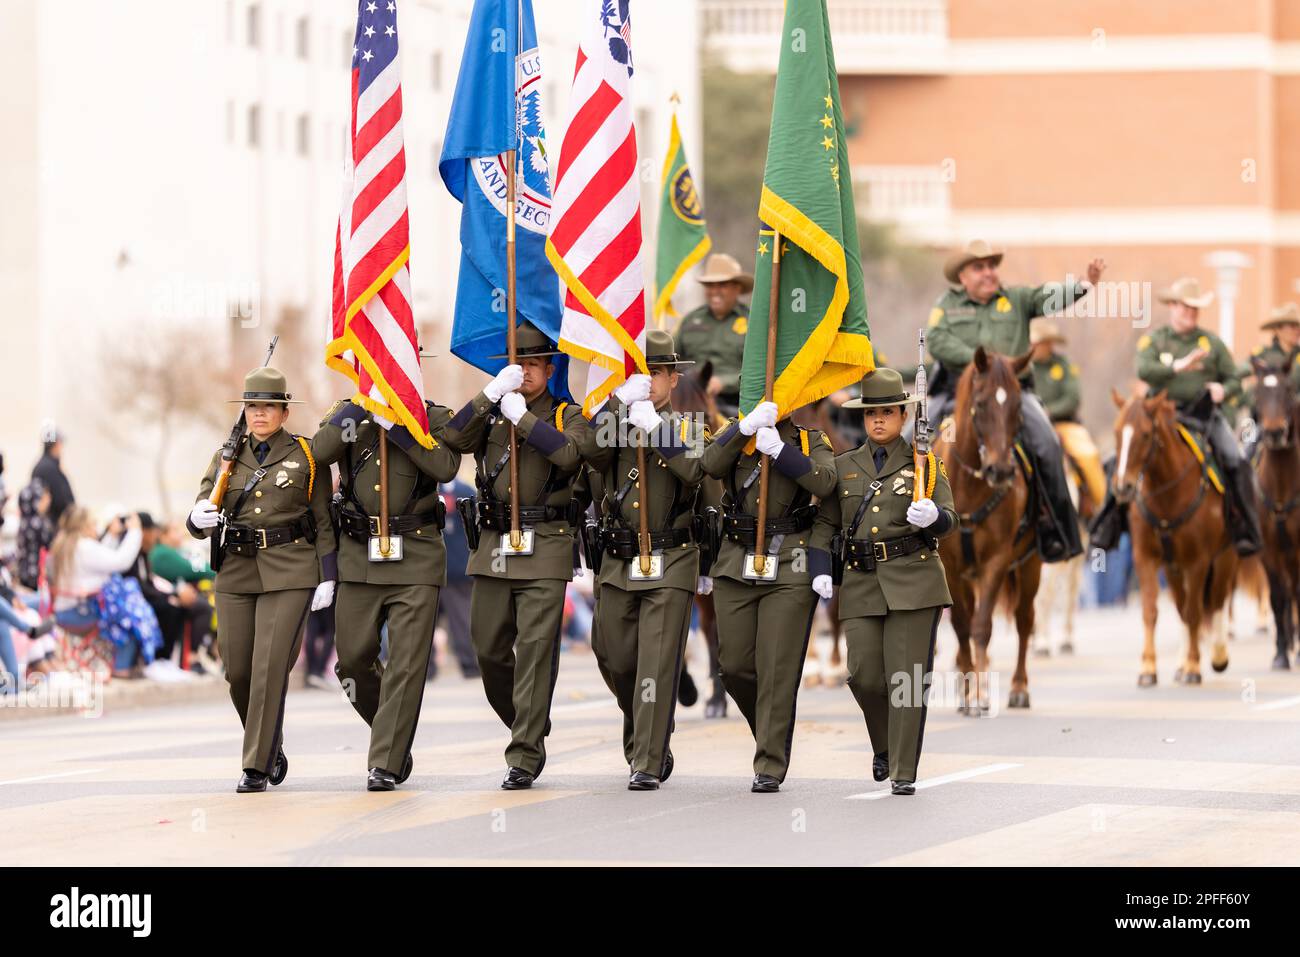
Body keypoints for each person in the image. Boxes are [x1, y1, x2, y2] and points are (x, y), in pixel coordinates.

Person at [441, 323, 594, 790]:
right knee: (488, 648)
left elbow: (570, 455)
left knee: (535, 651)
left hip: (546, 541)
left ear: (549, 369)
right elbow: (451, 438)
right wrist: (490, 396)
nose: (525, 372)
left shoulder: (568, 413)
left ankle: (525, 751)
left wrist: (523, 419)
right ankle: (527, 718)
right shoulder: (490, 411)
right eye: (518, 364)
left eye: (533, 365)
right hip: (493, 545)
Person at [188, 367, 338, 793]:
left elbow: (323, 520)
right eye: (252, 406)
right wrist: (195, 519)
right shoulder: (226, 456)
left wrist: (328, 576)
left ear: (284, 412)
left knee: (270, 667)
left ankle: (255, 765)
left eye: (268, 406)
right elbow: (203, 506)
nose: (259, 414)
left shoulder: (306, 456)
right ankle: (270, 742)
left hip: (290, 569)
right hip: (236, 569)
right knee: (237, 670)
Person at [812, 368, 960, 795]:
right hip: (860, 583)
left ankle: (903, 770)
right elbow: (825, 524)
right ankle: (884, 745)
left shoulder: (925, 463)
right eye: (871, 413)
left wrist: (934, 518)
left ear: (902, 415)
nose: (879, 420)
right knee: (864, 676)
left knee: (907, 679)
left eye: (888, 412)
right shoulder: (843, 467)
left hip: (914, 580)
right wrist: (820, 566)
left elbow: (950, 520)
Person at [311, 386, 461, 791]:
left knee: (406, 664)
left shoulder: (433, 416)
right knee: (352, 662)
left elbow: (445, 466)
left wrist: (401, 428)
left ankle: (385, 761)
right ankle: (392, 734)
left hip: (417, 557)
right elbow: (320, 453)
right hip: (359, 556)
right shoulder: (348, 414)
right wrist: (360, 407)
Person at [927, 239, 1105, 562]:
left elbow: (1048, 297)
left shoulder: (1018, 299)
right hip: (957, 393)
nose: (988, 272)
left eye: (992, 266)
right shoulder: (946, 305)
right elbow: (937, 341)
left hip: (1011, 397)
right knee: (915, 440)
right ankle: (909, 530)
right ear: (963, 276)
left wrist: (1083, 284)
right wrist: (982, 363)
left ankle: (1056, 530)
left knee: (1048, 444)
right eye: (979, 267)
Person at [586, 329, 708, 791]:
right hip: (618, 560)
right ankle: (648, 730)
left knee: (656, 663)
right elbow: (588, 454)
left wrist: (653, 427)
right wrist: (619, 406)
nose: (651, 381)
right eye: (642, 373)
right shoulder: (612, 421)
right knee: (614, 657)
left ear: (674, 379)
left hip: (672, 558)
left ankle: (648, 760)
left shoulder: (689, 427)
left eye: (657, 373)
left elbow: (697, 469)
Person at [700, 397, 836, 792]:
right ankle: (770, 727)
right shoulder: (732, 433)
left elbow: (826, 482)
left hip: (790, 559)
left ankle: (770, 762)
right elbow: (707, 465)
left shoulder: (811, 441)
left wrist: (781, 452)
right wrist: (743, 429)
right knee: (735, 666)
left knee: (778, 667)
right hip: (736, 559)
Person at [1094, 277, 1261, 556]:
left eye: (1195, 308)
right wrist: (1177, 367)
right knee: (1117, 460)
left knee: (1235, 459)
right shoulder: (1155, 341)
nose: (1190, 313)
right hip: (1158, 416)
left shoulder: (1212, 343)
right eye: (1185, 307)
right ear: (1172, 306)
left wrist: (1224, 388)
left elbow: (1233, 378)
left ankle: (1245, 527)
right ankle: (1107, 525)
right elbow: (1144, 369)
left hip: (1203, 415)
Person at [47, 507, 161, 679]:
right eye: (93, 524)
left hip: (64, 612)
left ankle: (123, 664)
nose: (96, 529)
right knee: (132, 619)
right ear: (84, 526)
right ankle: (122, 667)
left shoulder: (63, 545)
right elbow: (120, 562)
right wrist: (135, 531)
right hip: (83, 613)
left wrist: (112, 535)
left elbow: (100, 560)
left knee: (127, 611)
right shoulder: (84, 547)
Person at [1029, 319, 1106, 509]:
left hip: (1064, 424)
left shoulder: (1063, 366)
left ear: (1049, 344)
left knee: (1088, 455)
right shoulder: (1024, 368)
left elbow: (1072, 398)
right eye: (1034, 343)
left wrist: (1049, 412)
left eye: (1040, 343)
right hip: (1030, 425)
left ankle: (1102, 506)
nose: (1036, 347)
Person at [674, 252, 753, 415]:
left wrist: (725, 382)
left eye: (722, 285)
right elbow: (672, 359)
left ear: (737, 288)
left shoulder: (753, 323)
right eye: (710, 285)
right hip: (690, 401)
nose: (714, 291)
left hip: (736, 403)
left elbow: (761, 370)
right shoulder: (690, 321)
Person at [428, 477, 479, 681]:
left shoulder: (465, 490)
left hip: (457, 568)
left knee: (462, 620)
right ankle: (426, 668)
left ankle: (470, 664)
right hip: (429, 568)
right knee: (423, 624)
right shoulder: (423, 487)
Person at [31, 421, 75, 526]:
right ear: (57, 444)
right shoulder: (49, 468)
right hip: (55, 526)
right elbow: (61, 500)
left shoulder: (44, 466)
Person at [15, 480, 53, 591]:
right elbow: (49, 547)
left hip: (24, 573)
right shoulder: (38, 523)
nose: (48, 501)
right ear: (35, 501)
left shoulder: (24, 520)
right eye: (44, 498)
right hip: (36, 575)